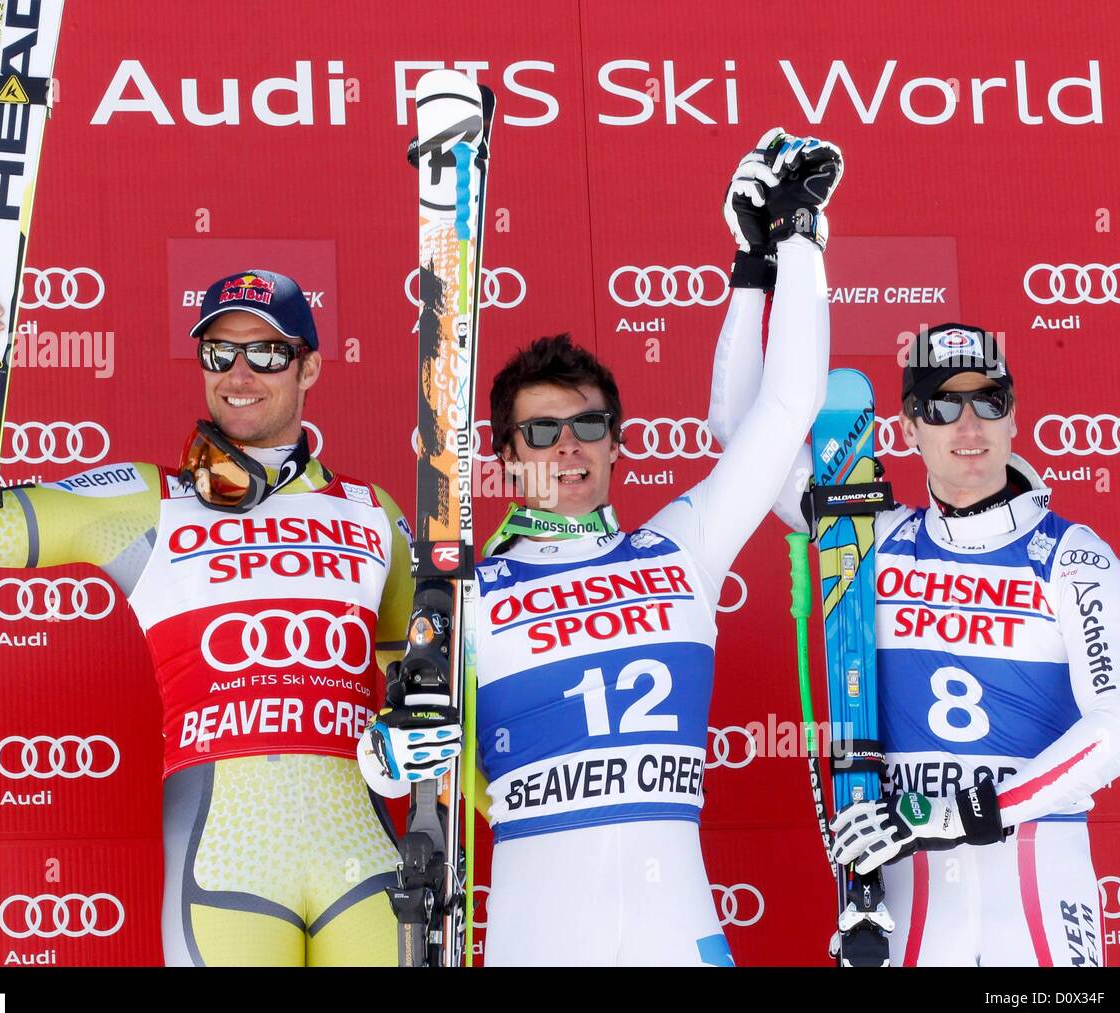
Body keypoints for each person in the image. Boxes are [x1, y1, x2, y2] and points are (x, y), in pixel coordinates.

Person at [360, 129, 842, 965]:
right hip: (537, 931)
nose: (567, 448)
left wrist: (787, 246)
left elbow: (786, 404)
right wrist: (389, 752)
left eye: (588, 427)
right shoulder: (468, 591)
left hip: (677, 927)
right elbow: (395, 764)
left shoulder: (679, 550)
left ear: (618, 444)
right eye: (541, 431)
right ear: (506, 454)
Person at [0, 265, 413, 966]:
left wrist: (413, 733)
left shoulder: (374, 512)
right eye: (220, 353)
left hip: (365, 860)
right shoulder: (152, 501)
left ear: (310, 368)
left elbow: (413, 695)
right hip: (228, 867)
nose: (240, 373)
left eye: (267, 352)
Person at [714, 316, 1120, 966]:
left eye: (987, 402)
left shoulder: (1072, 557)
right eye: (942, 407)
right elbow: (741, 435)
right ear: (910, 427)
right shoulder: (871, 542)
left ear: (1014, 417)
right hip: (909, 880)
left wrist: (959, 814)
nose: (968, 427)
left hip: (1034, 871)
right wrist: (757, 271)